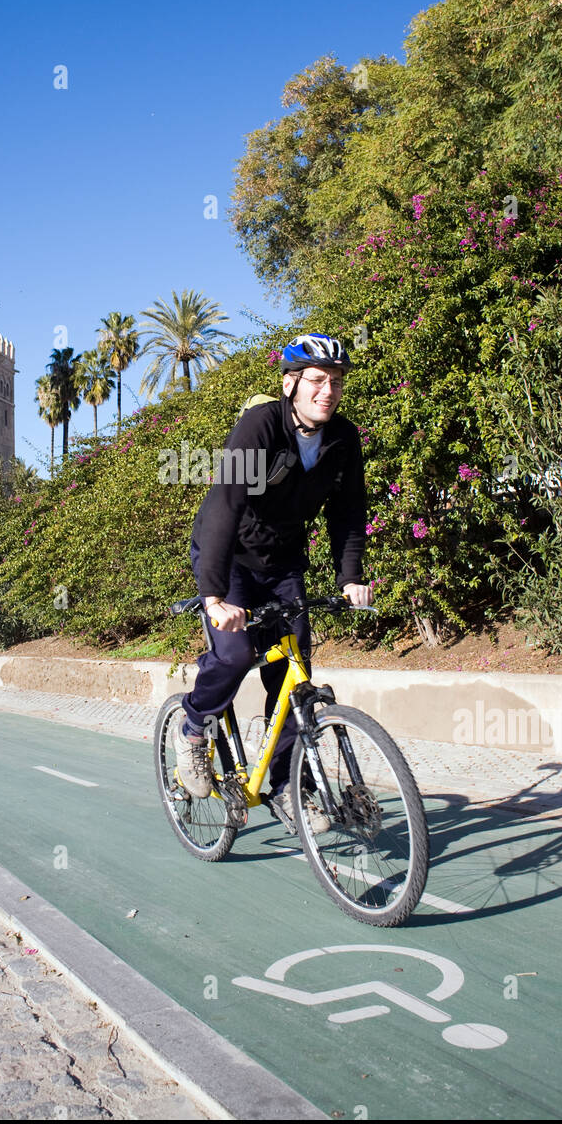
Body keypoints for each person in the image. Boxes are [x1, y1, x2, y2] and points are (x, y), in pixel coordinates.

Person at [177, 332, 373, 829]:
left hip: (284, 562)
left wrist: (351, 577)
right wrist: (214, 594)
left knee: (292, 672)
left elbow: (349, 512)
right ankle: (195, 726)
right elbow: (226, 504)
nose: (327, 390)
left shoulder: (342, 440)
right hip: (231, 557)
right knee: (237, 653)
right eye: (316, 380)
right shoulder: (259, 426)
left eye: (335, 381)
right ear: (291, 384)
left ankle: (287, 784)